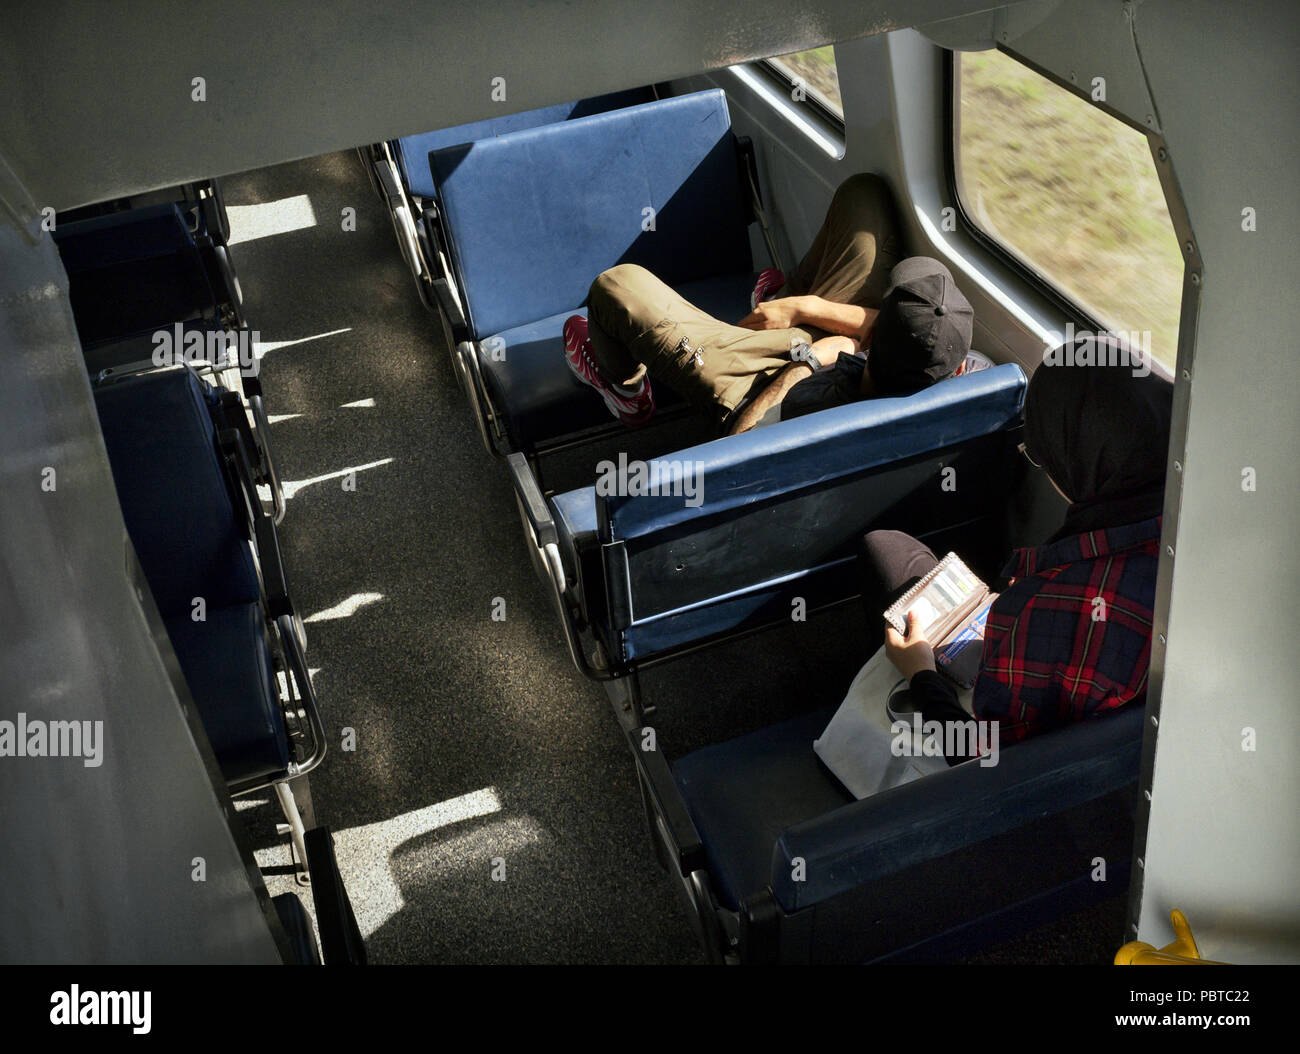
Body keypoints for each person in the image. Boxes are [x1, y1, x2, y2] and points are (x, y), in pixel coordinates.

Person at [870, 351, 1173, 761]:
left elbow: (985, 755)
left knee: (882, 550)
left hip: (1031, 782)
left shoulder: (1052, 606)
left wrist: (920, 674)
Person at [560, 173, 981, 434]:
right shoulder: (966, 372)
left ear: (874, 345)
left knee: (617, 286)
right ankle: (779, 301)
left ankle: (625, 391)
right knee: (863, 194)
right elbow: (890, 336)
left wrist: (811, 360)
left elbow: (745, 446)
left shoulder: (813, 413)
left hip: (758, 386)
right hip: (836, 347)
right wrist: (801, 308)